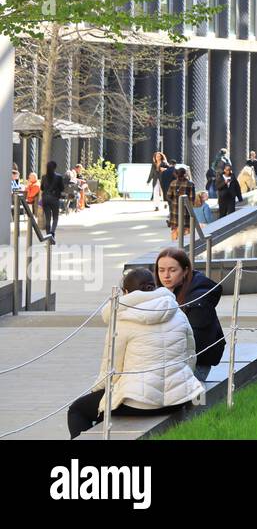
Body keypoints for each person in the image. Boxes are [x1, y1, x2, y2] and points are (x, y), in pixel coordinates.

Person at [66, 268, 206, 438]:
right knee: (102, 408)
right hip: (178, 398)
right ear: (154, 286)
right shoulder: (177, 311)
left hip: (140, 403)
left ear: (125, 292)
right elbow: (190, 355)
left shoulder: (122, 318)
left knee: (77, 410)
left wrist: (95, 392)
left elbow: (111, 370)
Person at [155, 248, 224, 380]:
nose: (166, 276)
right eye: (161, 270)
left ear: (185, 271)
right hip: (167, 361)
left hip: (195, 364)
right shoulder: (160, 293)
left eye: (172, 270)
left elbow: (196, 344)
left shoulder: (199, 299)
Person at [165, 166, 197, 242]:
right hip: (186, 211)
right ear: (185, 174)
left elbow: (168, 196)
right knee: (186, 231)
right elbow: (192, 199)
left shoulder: (173, 183)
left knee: (175, 230)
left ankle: (175, 246)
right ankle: (185, 248)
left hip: (175, 211)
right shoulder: (190, 184)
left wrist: (174, 201)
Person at [40, 161, 65, 239]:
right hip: (54, 199)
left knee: (47, 217)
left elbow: (42, 188)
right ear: (55, 167)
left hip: (45, 198)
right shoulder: (59, 177)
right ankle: (52, 232)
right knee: (55, 217)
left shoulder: (44, 177)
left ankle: (48, 235)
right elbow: (62, 188)